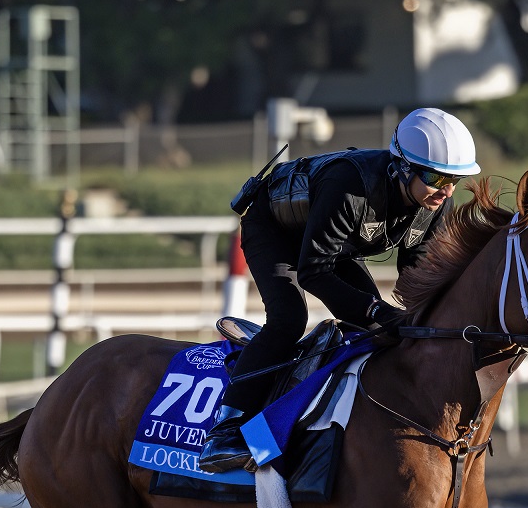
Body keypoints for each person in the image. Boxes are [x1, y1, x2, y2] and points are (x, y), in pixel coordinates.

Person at [198, 106, 481, 473]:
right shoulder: (349, 185)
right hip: (276, 230)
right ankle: (226, 430)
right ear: (401, 166)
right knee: (289, 318)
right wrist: (376, 312)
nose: (445, 191)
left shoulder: (436, 203)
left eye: (453, 181)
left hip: (334, 242)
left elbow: (417, 279)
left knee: (375, 324)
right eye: (434, 177)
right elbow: (314, 272)